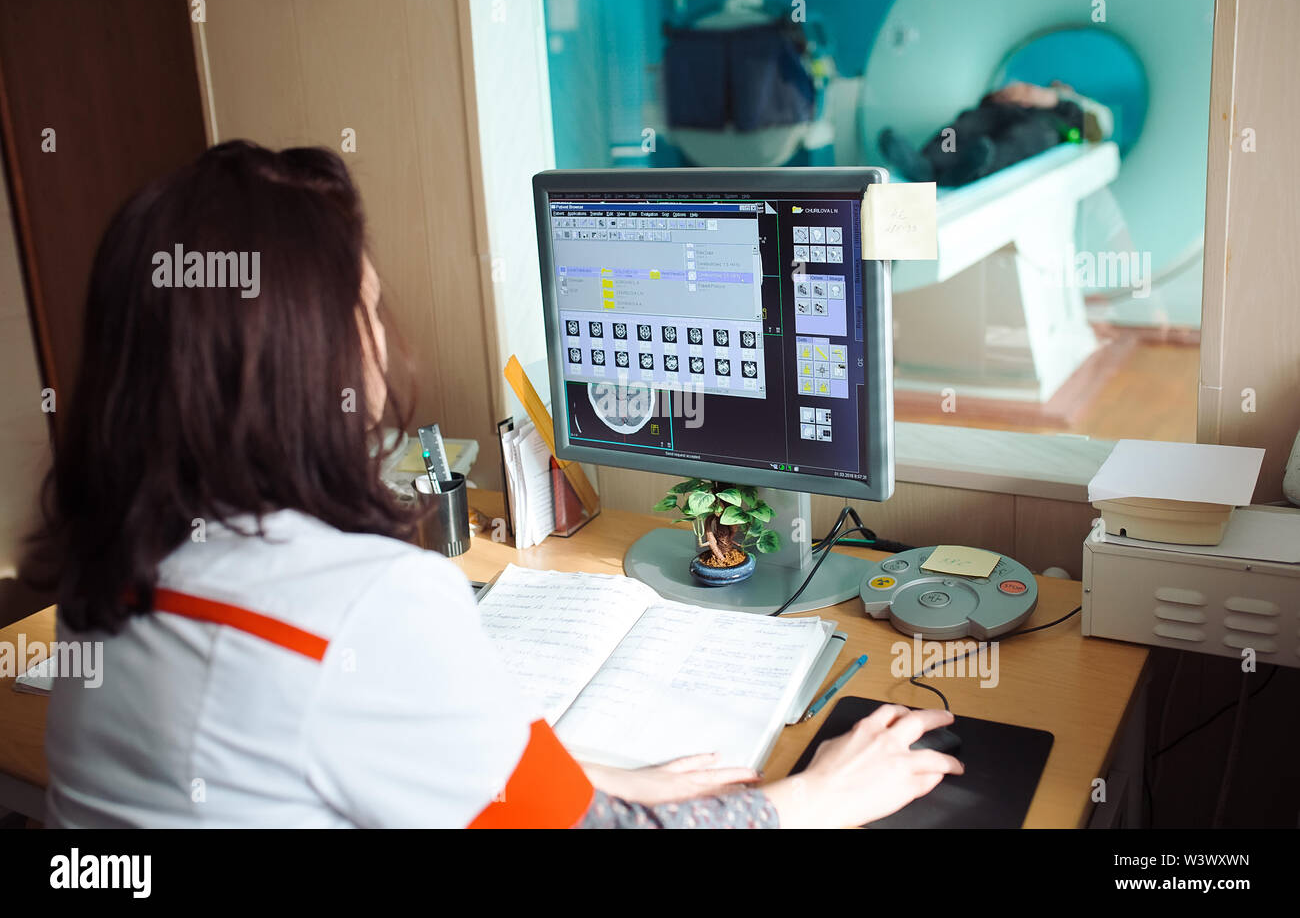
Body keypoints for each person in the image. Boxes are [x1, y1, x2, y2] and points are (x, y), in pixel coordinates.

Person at [29, 141, 962, 828]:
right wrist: (808, 798)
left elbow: (328, 755)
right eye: (367, 304)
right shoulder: (365, 601)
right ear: (315, 362)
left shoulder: (112, 562)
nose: (385, 336)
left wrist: (581, 778)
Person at [879, 81, 1115, 188]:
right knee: (970, 122)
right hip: (1006, 111)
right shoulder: (1028, 89)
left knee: (1024, 138)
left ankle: (967, 172)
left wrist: (1055, 98)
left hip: (1047, 128)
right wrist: (1001, 96)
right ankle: (926, 164)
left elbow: (1099, 128)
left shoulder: (1081, 107)